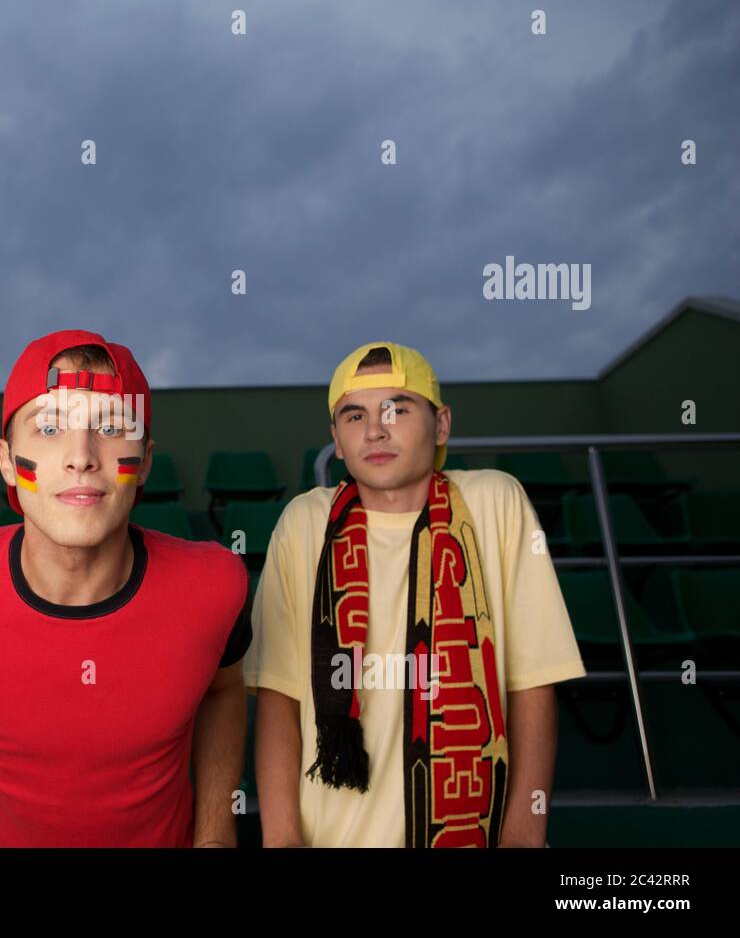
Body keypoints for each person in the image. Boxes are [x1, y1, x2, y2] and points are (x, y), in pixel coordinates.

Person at [0, 329, 252, 847]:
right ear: (6, 460)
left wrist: (214, 837)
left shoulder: (215, 583)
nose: (81, 456)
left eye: (111, 427)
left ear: (146, 460)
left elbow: (224, 690)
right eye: (49, 427)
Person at [246, 342, 586, 847]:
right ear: (336, 440)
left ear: (442, 424)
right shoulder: (304, 522)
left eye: (397, 409)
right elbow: (279, 697)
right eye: (354, 415)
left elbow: (532, 682)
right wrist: (281, 839)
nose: (375, 430)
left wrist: (523, 834)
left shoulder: (494, 502)